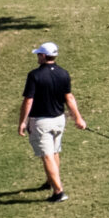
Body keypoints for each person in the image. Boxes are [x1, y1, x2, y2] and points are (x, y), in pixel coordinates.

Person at [17, 41, 87, 203]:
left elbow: (28, 101)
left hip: (41, 122)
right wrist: (78, 117)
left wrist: (22, 121)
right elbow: (68, 97)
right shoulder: (63, 73)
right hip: (59, 120)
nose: (37, 57)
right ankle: (51, 181)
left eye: (38, 54)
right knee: (55, 152)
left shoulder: (34, 75)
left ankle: (58, 192)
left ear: (43, 56)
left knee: (47, 156)